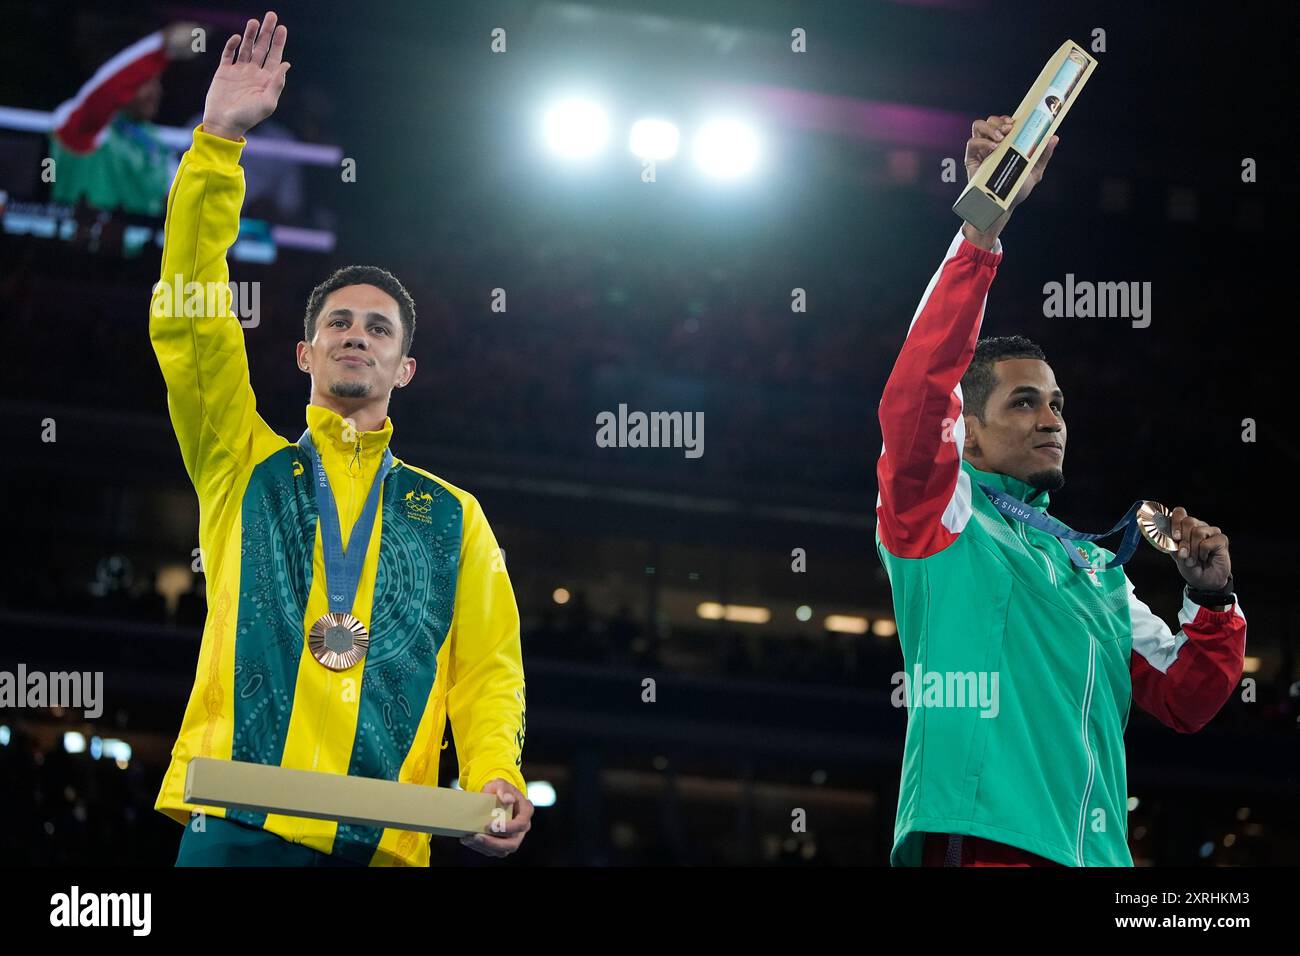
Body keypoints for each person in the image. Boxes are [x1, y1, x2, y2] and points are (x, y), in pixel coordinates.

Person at [150, 12, 531, 866]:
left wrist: (495, 772)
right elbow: (189, 317)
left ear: (405, 368)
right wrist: (216, 144)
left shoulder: (455, 517)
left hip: (383, 837)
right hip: (237, 816)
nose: (358, 335)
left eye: (379, 330)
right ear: (304, 351)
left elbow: (488, 668)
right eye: (339, 323)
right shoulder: (239, 463)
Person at [875, 115, 1246, 867]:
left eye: (1057, 405)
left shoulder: (1097, 575)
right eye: (1023, 403)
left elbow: (1185, 698)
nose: (1051, 419)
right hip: (986, 840)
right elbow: (917, 392)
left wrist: (1211, 600)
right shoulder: (942, 519)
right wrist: (983, 228)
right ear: (965, 433)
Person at [50, 23, 201, 216]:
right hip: (74, 241)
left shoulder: (153, 140)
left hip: (140, 244)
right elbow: (104, 92)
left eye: (157, 82)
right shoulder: (78, 122)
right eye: (146, 83)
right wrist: (161, 47)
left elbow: (179, 200)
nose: (157, 92)